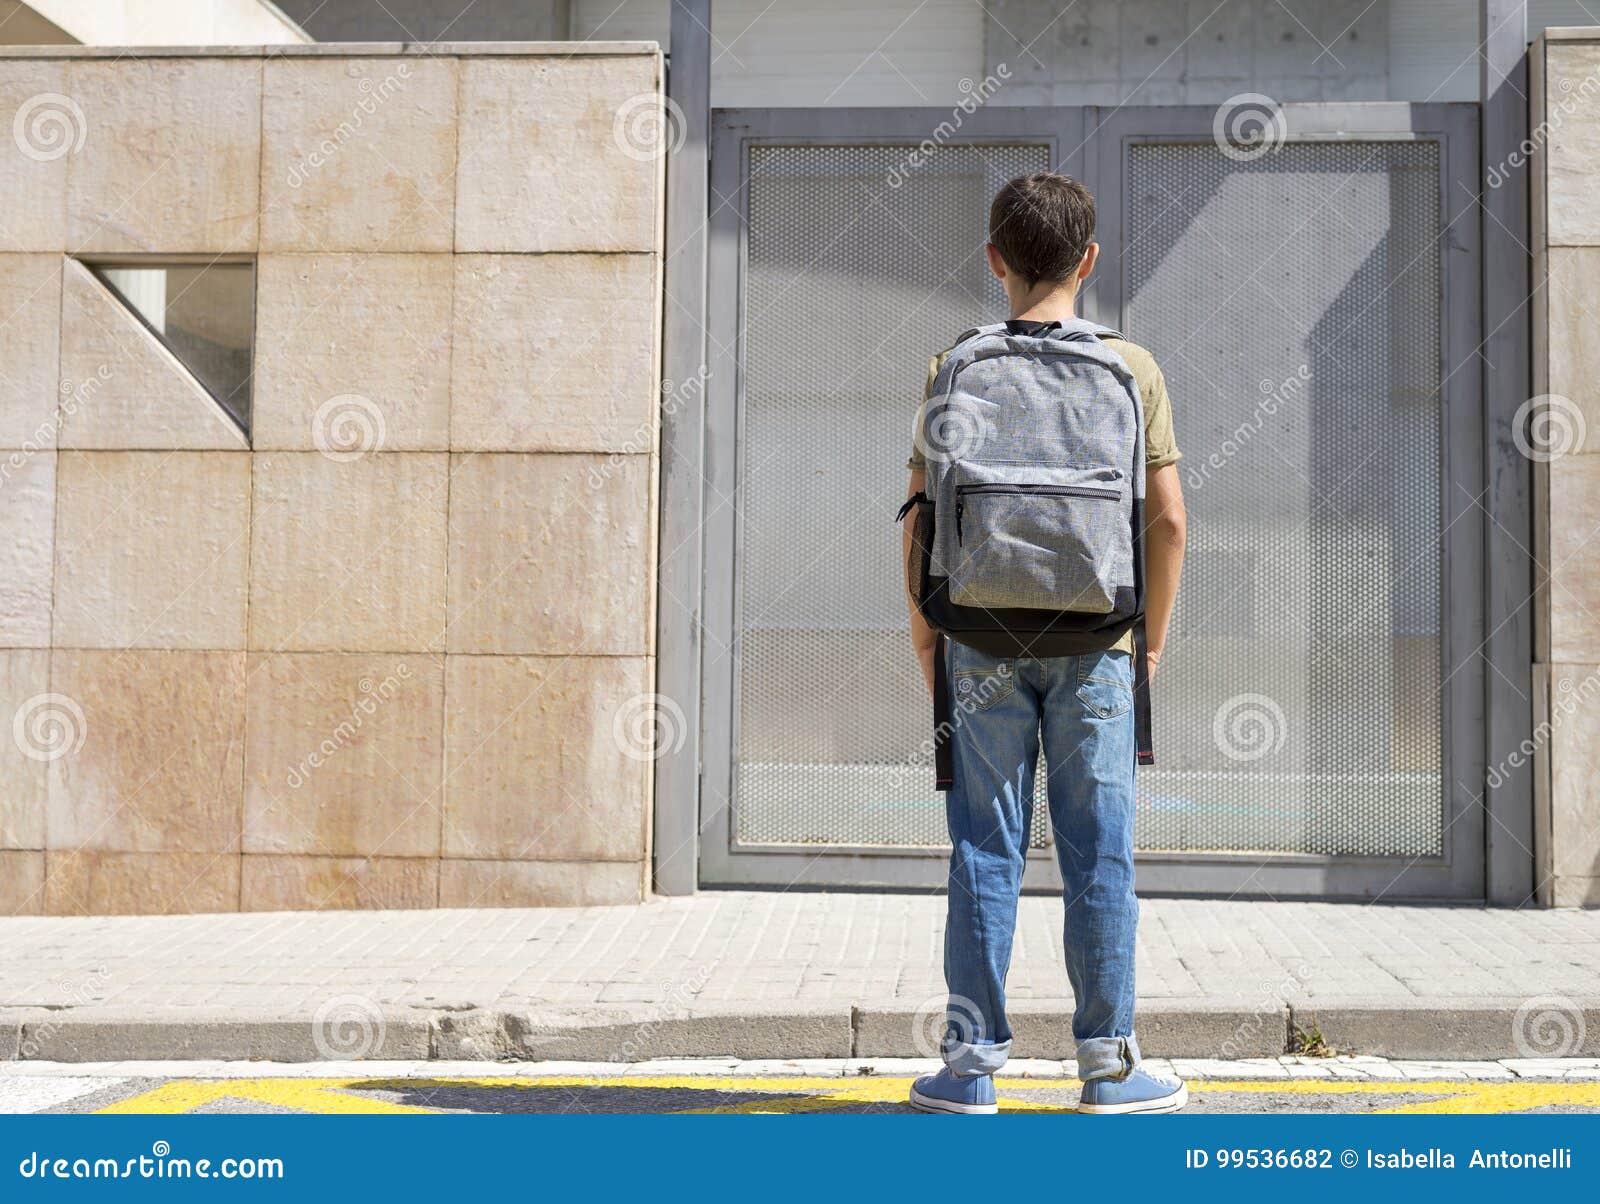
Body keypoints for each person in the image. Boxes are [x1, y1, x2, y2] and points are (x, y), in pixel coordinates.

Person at [901, 172, 1188, 1115]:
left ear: (995, 259)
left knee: (984, 848)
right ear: (1089, 259)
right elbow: (1169, 521)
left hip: (978, 638)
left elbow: (918, 517)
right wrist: (1148, 644)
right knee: (1099, 852)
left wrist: (927, 635)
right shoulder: (1131, 368)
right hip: (1100, 642)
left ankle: (968, 1070)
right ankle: (1110, 1069)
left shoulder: (953, 363)